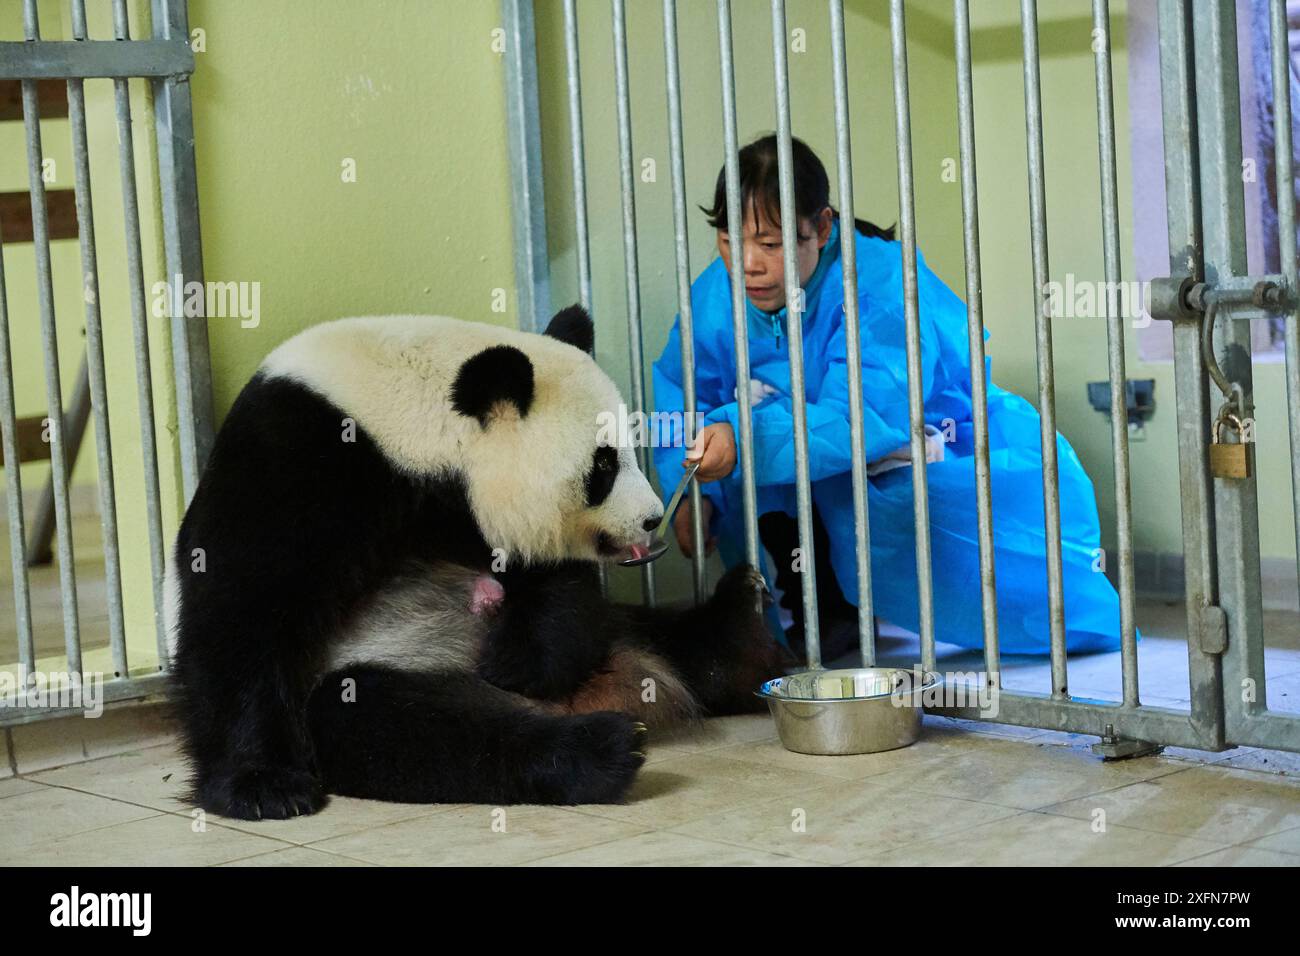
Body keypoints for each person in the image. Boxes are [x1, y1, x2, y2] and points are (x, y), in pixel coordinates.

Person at [651, 134, 1126, 663]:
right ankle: (809, 610)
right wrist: (690, 492)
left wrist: (745, 435)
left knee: (869, 491)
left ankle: (846, 606)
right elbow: (682, 393)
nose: (747, 265)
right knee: (755, 470)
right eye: (728, 240)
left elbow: (864, 415)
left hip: (914, 444)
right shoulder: (717, 296)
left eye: (772, 244)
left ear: (823, 227)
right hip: (795, 465)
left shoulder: (878, 284)